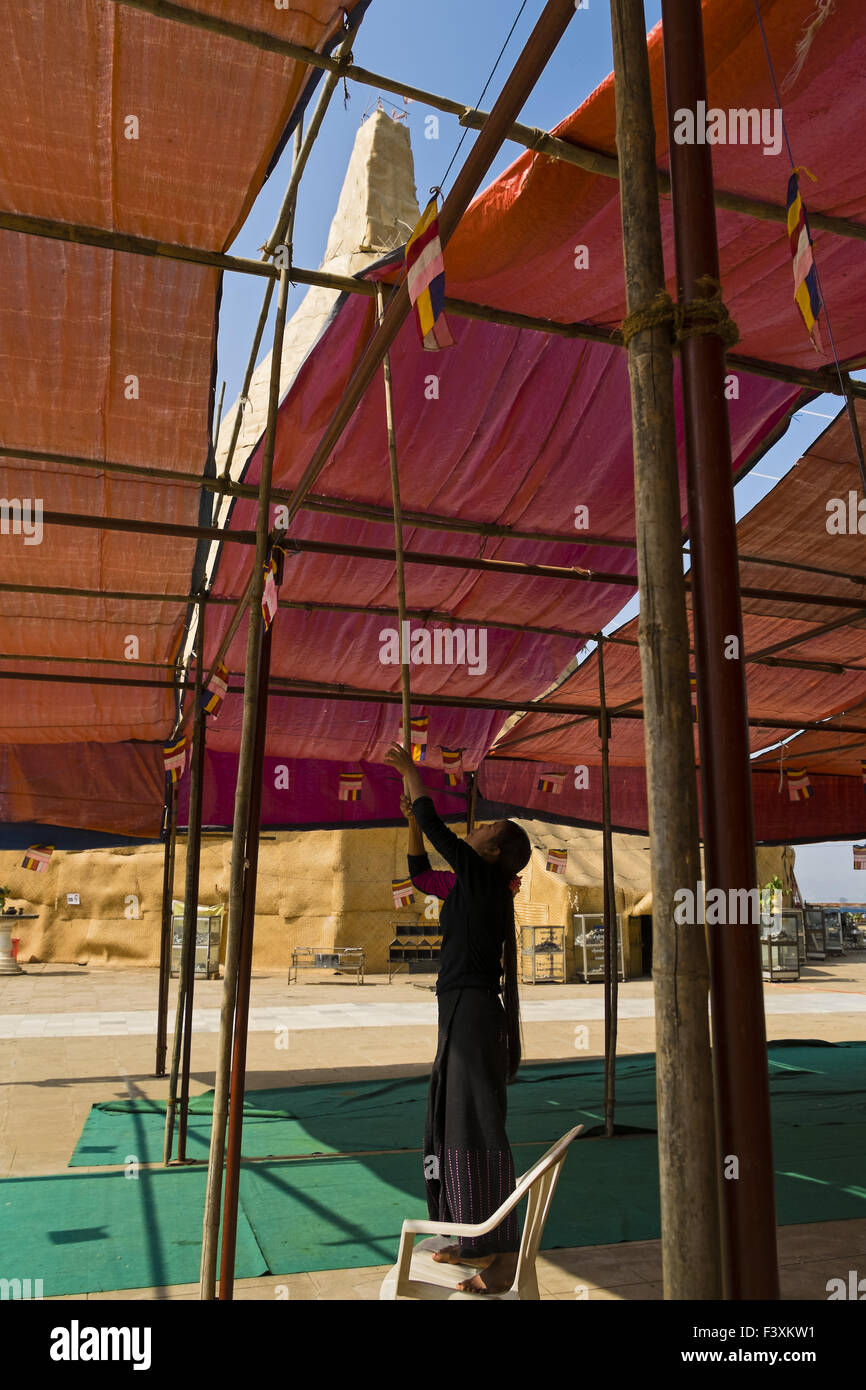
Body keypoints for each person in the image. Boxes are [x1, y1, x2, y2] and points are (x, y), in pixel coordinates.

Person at [385, 742, 531, 1295]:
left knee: (477, 1129)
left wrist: (411, 773)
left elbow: (438, 826)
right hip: (464, 1017)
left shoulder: (479, 874)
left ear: (490, 853)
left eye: (483, 832)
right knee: (457, 1126)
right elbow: (421, 875)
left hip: (470, 1017)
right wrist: (410, 823)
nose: (473, 834)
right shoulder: (473, 885)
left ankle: (503, 1251)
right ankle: (477, 1238)